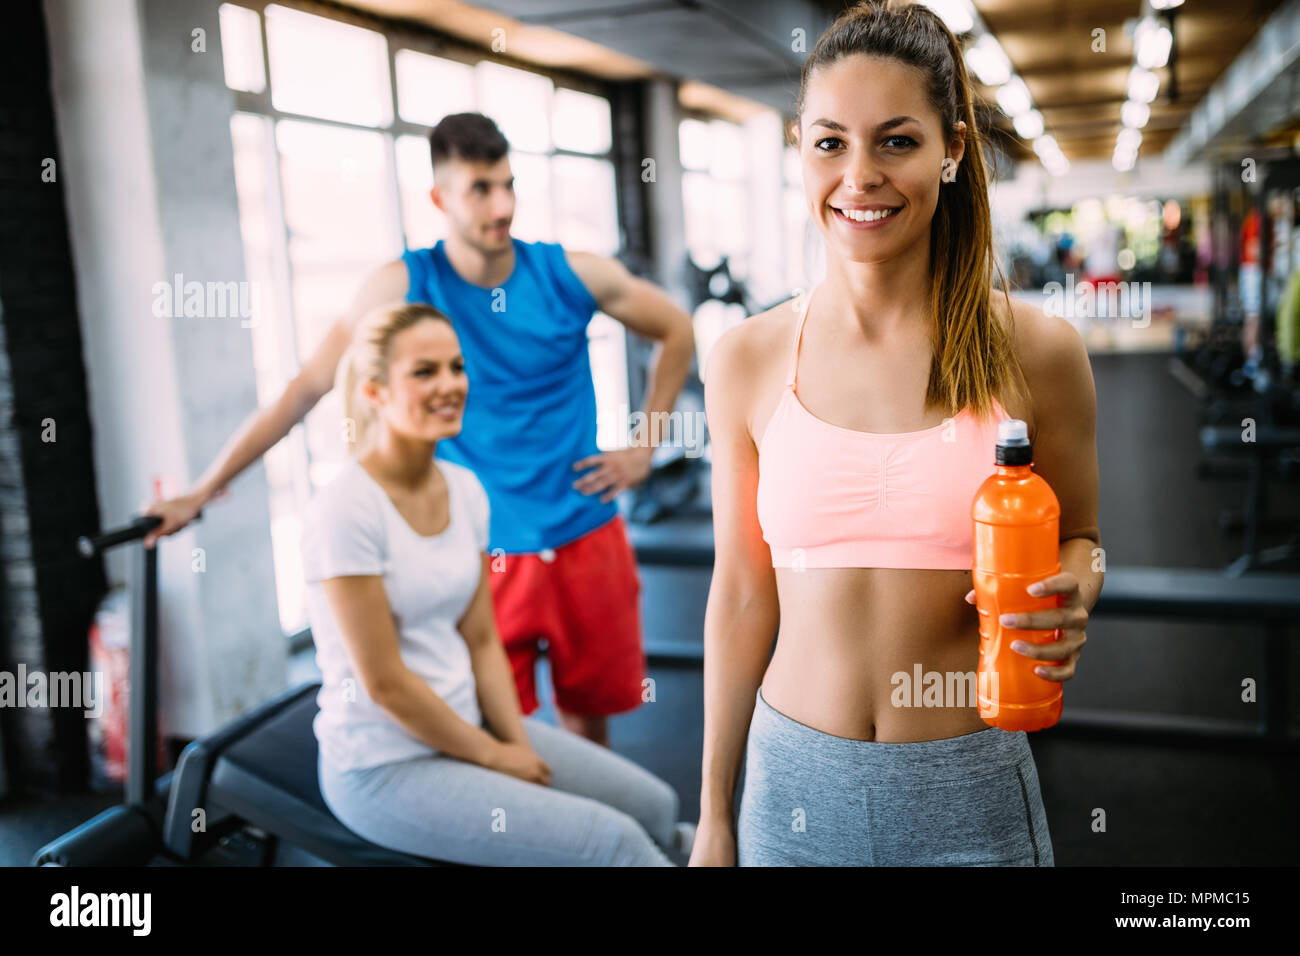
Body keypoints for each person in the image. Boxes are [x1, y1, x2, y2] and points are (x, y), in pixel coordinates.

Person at [690, 0, 1101, 867]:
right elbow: (738, 593)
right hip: (790, 786)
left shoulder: (1039, 352)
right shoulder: (746, 359)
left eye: (897, 140)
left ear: (953, 149)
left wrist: (1075, 587)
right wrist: (713, 818)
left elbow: (1084, 540)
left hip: (969, 784)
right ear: (799, 147)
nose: (860, 175)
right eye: (831, 142)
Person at [145, 112, 697, 746]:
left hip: (585, 530)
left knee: (587, 720)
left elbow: (675, 329)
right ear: (440, 199)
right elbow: (305, 388)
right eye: (480, 190)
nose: (503, 205)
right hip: (482, 548)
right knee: (494, 729)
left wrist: (645, 449)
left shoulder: (570, 273)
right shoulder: (406, 285)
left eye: (508, 185)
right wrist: (201, 489)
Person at [306, 301, 690, 865]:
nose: (449, 385)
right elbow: (385, 683)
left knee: (657, 808)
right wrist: (492, 757)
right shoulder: (346, 508)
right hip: (384, 763)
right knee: (617, 846)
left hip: (469, 725)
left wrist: (513, 741)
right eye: (424, 372)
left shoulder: (464, 489)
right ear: (374, 392)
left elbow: (481, 639)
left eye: (456, 367)